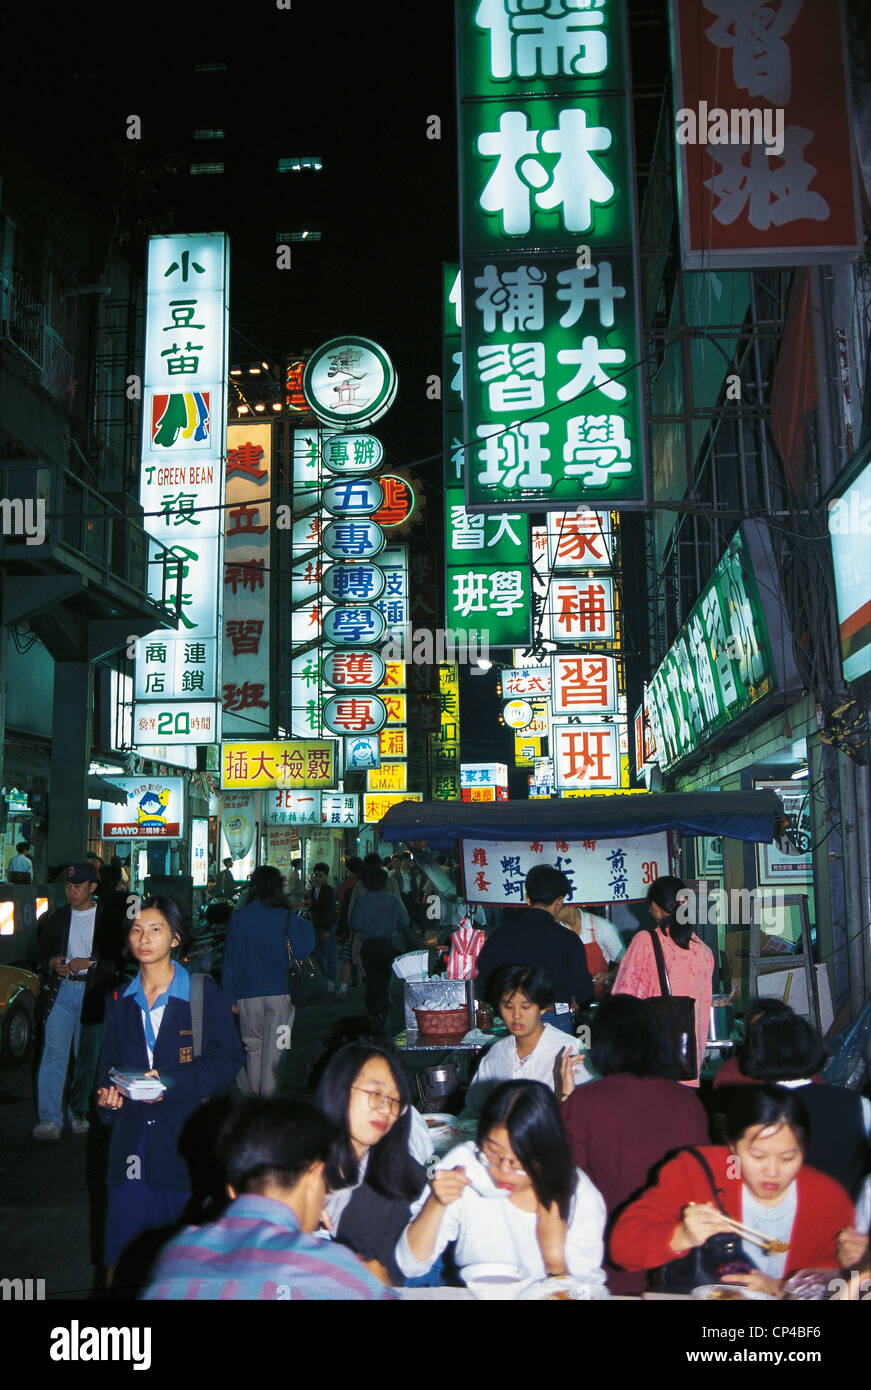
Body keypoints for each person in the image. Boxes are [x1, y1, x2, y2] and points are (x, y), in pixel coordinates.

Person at [96, 896, 244, 1279]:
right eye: (136, 929)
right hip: (131, 1153)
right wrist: (107, 1100)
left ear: (176, 938)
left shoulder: (201, 992)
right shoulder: (118, 999)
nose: (144, 938)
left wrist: (171, 1083)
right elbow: (106, 1070)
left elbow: (229, 1060)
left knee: (185, 1267)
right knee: (119, 1259)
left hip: (186, 1149)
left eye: (155, 929)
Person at [609, 1085, 854, 1296]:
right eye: (757, 1155)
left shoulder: (827, 1197)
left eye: (788, 1158)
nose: (772, 1171)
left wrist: (779, 1288)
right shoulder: (694, 1172)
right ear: (732, 1146)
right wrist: (681, 1235)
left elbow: (842, 1283)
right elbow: (621, 1248)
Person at [141, 1098, 394, 1300]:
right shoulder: (334, 1272)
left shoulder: (177, 1255)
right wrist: (376, 1283)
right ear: (314, 1175)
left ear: (232, 1192)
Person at [558, 995, 710, 1293]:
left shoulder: (583, 1104)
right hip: (676, 1267)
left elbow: (563, 1190)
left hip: (602, 1272)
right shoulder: (688, 1102)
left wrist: (564, 1099)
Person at [396, 1080, 607, 1285]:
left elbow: (586, 1293)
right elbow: (410, 1266)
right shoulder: (464, 1165)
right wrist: (436, 1203)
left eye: (519, 1161)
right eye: (493, 1152)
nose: (504, 1170)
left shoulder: (578, 1197)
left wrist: (555, 1262)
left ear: (546, 1154)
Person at [710, 1008, 871, 1203]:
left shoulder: (746, 1110)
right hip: (846, 1225)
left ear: (756, 1057)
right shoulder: (858, 1105)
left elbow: (732, 1183)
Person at [313, 1041, 428, 1284]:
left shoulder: (403, 1181)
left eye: (395, 1101)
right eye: (376, 1094)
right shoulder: (293, 1166)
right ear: (339, 1089)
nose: (386, 1109)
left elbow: (391, 1280)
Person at [32, 862, 124, 1139]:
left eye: (78, 887)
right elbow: (41, 952)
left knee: (86, 1057)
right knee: (54, 1054)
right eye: (68, 887)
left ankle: (78, 1110)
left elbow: (117, 958)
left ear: (92, 888)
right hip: (62, 991)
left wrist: (92, 962)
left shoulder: (108, 918)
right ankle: (50, 1119)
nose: (72, 892)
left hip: (92, 992)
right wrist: (52, 962)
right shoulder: (57, 918)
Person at [221, 866, 315, 1097]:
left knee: (253, 1048)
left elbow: (230, 960)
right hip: (282, 996)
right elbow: (305, 948)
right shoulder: (285, 917)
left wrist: (230, 997)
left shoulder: (239, 917)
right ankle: (269, 1108)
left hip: (247, 996)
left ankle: (253, 1103)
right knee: (278, 1051)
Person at [611, 875, 714, 1085]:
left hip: (651, 1066)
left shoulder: (645, 941)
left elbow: (621, 1003)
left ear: (655, 908)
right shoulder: (705, 951)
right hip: (689, 1066)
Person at [474, 865, 594, 1034]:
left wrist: (505, 1007)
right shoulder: (568, 939)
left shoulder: (500, 935)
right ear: (559, 900)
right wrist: (577, 1000)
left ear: (527, 898)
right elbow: (584, 990)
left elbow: (483, 985)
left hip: (514, 1021)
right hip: (557, 1022)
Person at [464, 964, 582, 1115]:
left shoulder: (570, 1051)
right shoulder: (497, 1054)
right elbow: (473, 1109)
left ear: (543, 1007)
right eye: (508, 1006)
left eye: (525, 1007)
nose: (516, 1015)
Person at [349, 864, 416, 1029]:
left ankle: (372, 1014)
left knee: (371, 980)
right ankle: (383, 1013)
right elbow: (405, 921)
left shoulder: (362, 901)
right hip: (387, 945)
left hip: (369, 946)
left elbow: (355, 925)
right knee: (385, 981)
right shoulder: (392, 900)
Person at [557, 902, 624, 999]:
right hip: (568, 1001)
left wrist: (609, 976)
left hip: (598, 1000)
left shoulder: (602, 927)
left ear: (566, 903)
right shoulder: (554, 931)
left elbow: (625, 963)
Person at [336, 856, 364, 1000]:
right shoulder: (365, 886)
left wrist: (343, 928)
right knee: (361, 956)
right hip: (365, 929)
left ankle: (344, 986)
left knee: (348, 956)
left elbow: (342, 908)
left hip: (350, 928)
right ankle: (359, 980)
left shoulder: (346, 885)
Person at [309, 861, 338, 993]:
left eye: (320, 875)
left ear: (326, 876)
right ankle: (323, 979)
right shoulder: (314, 890)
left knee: (330, 955)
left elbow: (330, 911)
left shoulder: (329, 891)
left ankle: (330, 980)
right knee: (319, 955)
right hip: (316, 926)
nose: (317, 878)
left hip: (326, 926)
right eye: (315, 875)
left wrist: (327, 929)